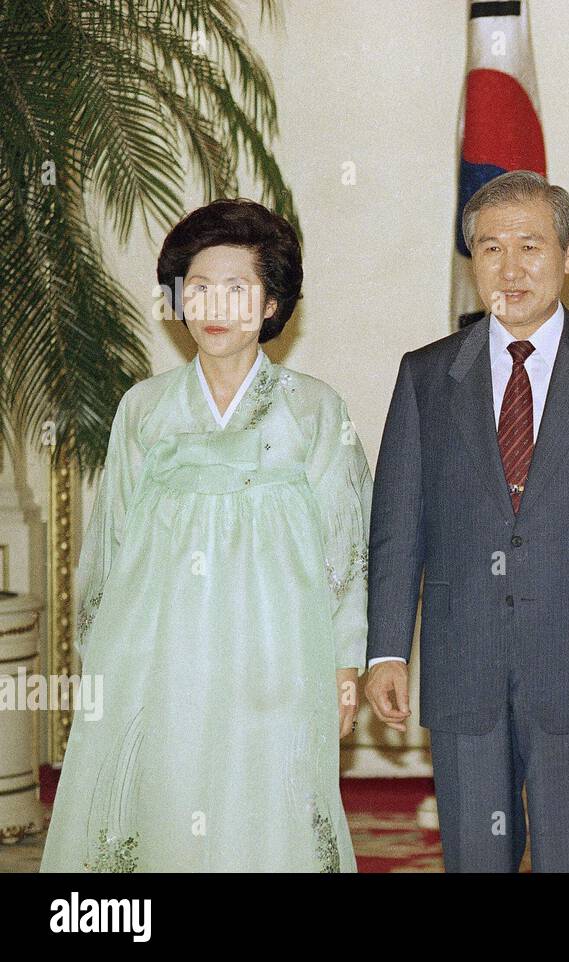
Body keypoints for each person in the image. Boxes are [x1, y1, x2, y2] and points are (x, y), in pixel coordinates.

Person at [41, 199, 372, 872]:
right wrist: (97, 662)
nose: (213, 306)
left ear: (274, 304)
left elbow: (348, 551)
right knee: (165, 807)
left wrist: (345, 667)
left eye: (236, 289)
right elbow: (109, 548)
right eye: (196, 289)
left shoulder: (314, 411)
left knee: (268, 811)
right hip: (159, 659)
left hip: (279, 657)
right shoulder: (146, 409)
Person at [364, 170, 569, 873]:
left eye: (531, 246)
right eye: (490, 248)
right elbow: (398, 523)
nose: (511, 268)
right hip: (464, 666)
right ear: (471, 261)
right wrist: (386, 648)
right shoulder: (426, 375)